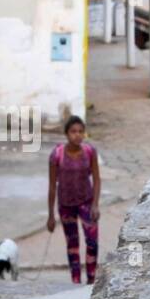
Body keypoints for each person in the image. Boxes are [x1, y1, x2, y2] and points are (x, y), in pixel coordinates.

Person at [47, 116, 101, 284]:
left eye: (80, 132)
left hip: (86, 202)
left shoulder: (89, 152)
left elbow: (97, 179)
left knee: (92, 242)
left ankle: (91, 279)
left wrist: (95, 205)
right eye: (73, 132)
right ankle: (76, 280)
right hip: (66, 205)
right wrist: (50, 215)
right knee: (72, 244)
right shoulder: (57, 155)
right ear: (66, 134)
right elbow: (52, 186)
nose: (77, 135)